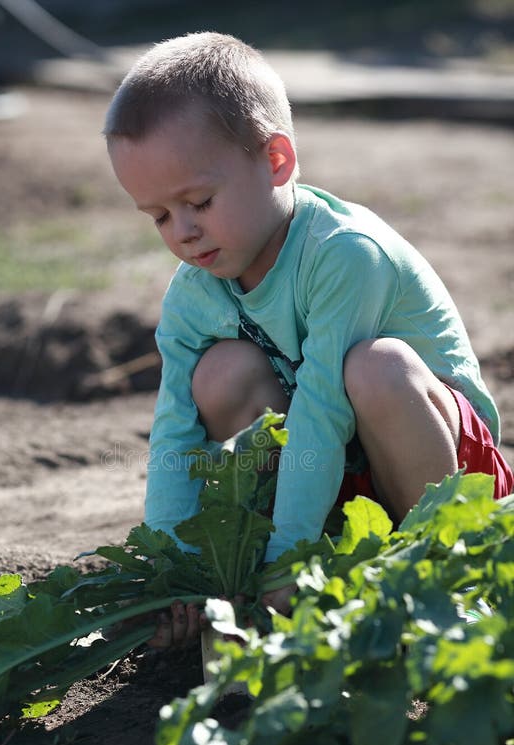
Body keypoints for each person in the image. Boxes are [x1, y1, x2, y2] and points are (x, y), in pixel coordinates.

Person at [103, 31, 513, 644]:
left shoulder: (345, 254)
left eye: (199, 201)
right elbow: (174, 431)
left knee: (375, 368)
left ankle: (441, 572)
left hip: (447, 474)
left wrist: (287, 559)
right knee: (215, 376)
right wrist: (173, 571)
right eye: (160, 216)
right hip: (336, 483)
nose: (183, 233)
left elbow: (322, 412)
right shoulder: (194, 293)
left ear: (276, 162)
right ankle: (306, 577)